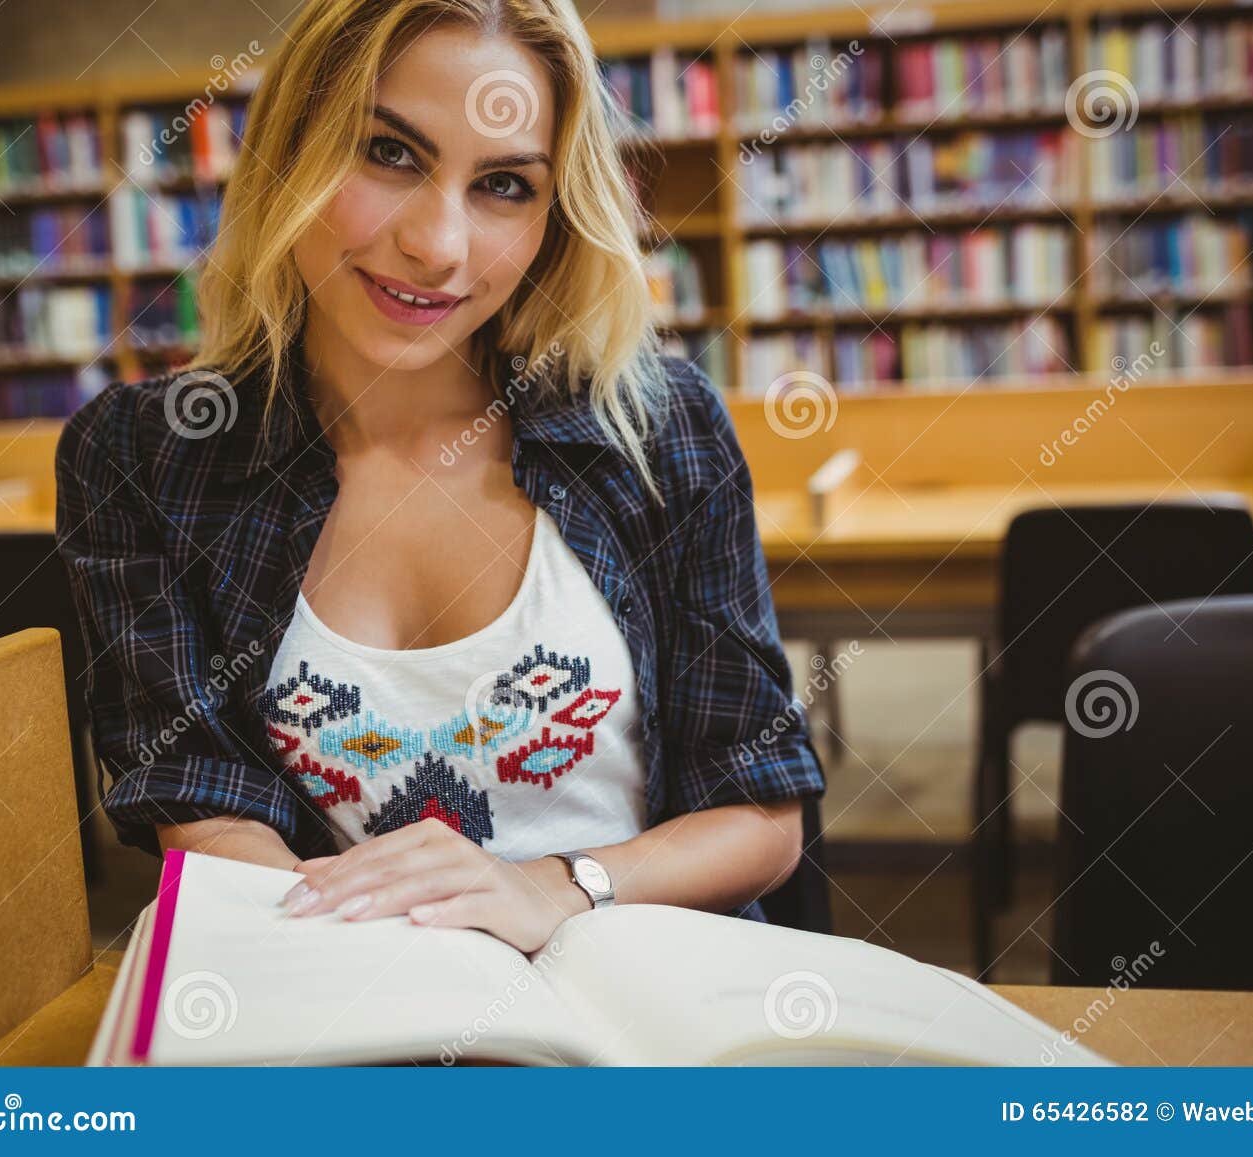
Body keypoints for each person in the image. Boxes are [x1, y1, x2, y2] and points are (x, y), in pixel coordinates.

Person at [55, 0, 824, 954]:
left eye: (504, 184)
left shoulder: (659, 428)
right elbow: (202, 812)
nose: (439, 245)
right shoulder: (143, 457)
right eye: (389, 153)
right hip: (348, 1003)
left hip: (643, 1014)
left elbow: (760, 812)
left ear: (555, 213)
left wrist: (555, 887)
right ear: (290, 151)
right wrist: (415, 979)